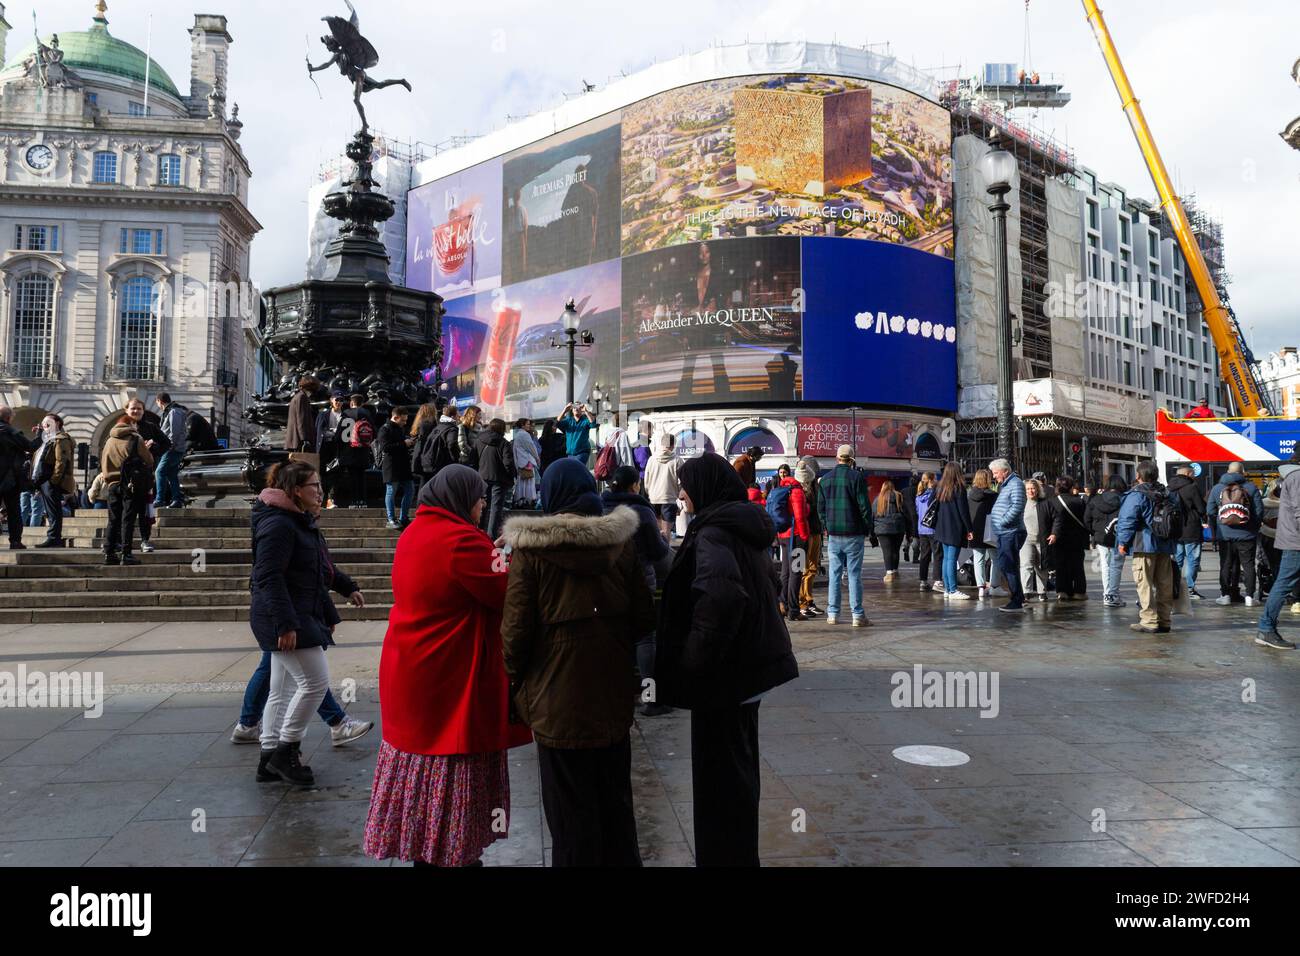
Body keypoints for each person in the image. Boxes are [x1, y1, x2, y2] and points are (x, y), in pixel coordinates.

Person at [363, 465, 533, 866]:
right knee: (451, 772)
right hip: (447, 677)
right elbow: (509, 591)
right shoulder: (459, 541)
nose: (482, 504)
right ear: (459, 498)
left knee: (421, 771)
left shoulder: (416, 532)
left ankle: (428, 846)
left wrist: (490, 551)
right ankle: (453, 852)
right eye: (478, 497)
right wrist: (509, 552)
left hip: (412, 669)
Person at [500, 459, 655, 867]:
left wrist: (517, 684)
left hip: (556, 705)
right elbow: (644, 618)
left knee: (570, 818)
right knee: (616, 806)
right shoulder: (621, 544)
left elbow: (515, 633)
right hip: (612, 699)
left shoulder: (530, 551)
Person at [656, 452, 798, 867]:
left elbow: (721, 597)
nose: (681, 494)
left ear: (704, 488)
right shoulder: (738, 524)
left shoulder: (715, 532)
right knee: (737, 773)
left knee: (720, 781)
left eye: (686, 486)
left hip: (725, 679)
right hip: (748, 673)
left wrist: (694, 662)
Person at [249, 461, 366, 785]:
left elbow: (319, 567)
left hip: (294, 612)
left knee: (281, 688)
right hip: (287, 617)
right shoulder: (280, 525)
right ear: (295, 490)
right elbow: (268, 577)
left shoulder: (297, 521)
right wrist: (285, 625)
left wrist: (347, 586)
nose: (320, 491)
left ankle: (268, 756)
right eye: (314, 486)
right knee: (314, 683)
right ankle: (287, 752)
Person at [602, 465, 674, 718]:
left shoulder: (601, 508)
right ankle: (651, 700)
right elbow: (657, 552)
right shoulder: (642, 510)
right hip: (640, 582)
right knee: (646, 639)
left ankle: (616, 696)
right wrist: (664, 540)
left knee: (617, 638)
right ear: (634, 485)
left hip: (610, 584)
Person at [1116, 461, 1176, 634]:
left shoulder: (1137, 494)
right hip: (1165, 544)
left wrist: (1122, 542)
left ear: (1138, 476)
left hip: (1144, 544)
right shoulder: (1166, 493)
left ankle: (1149, 620)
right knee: (1165, 583)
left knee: (1145, 583)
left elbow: (1127, 520)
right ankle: (1165, 620)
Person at [817, 445, 873, 625]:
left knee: (834, 574)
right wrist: (867, 528)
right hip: (854, 532)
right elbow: (864, 507)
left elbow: (821, 509)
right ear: (852, 459)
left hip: (834, 534)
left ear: (837, 458)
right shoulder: (857, 478)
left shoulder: (825, 480)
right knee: (854, 574)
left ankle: (832, 613)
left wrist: (827, 526)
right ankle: (857, 615)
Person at [1256, 451, 1300, 650]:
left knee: (1284, 582)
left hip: (1292, 539)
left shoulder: (1292, 476)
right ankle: (1266, 628)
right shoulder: (1298, 477)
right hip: (1296, 542)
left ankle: (1266, 628)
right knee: (1283, 584)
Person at [99, 416, 155, 566]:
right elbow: (149, 461)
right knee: (127, 520)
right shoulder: (135, 438)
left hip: (112, 484)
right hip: (130, 484)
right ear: (131, 424)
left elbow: (103, 462)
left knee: (113, 520)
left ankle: (109, 553)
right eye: (135, 424)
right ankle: (126, 553)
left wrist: (108, 478)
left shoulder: (108, 440)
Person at [1209, 462, 1265, 606]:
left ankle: (1225, 595)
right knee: (1248, 565)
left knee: (1225, 565)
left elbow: (1210, 511)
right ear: (1243, 472)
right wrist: (1253, 527)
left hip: (1225, 535)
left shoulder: (1217, 488)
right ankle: (1249, 597)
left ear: (1227, 471)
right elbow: (1259, 512)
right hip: (1247, 535)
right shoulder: (1251, 488)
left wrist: (1217, 527)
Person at [772, 464, 811, 622]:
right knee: (797, 572)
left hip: (783, 536)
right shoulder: (797, 492)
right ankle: (794, 610)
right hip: (797, 537)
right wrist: (804, 536)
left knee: (786, 572)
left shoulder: (782, 489)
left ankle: (783, 605)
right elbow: (800, 517)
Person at [33, 414, 77, 549]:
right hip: (44, 480)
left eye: (48, 422)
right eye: (43, 422)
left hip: (51, 481)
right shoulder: (47, 439)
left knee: (54, 510)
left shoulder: (61, 439)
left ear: (57, 423)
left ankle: (54, 538)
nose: (44, 425)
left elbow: (61, 462)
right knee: (50, 510)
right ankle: (53, 537)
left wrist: (54, 480)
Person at [989, 458, 1027, 613]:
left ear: (1005, 471)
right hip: (1005, 532)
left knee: (1007, 565)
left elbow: (1018, 505)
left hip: (1010, 531)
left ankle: (1017, 599)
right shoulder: (1007, 484)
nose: (994, 476)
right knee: (1007, 565)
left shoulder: (1015, 484)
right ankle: (1018, 597)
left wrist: (1003, 521)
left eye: (996, 473)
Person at [933, 462, 975, 600]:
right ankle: (952, 590)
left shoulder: (939, 487)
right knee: (952, 559)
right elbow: (964, 511)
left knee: (946, 559)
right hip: (954, 527)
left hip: (941, 527)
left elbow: (931, 505)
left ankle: (947, 588)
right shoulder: (959, 488)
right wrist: (969, 528)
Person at [0, 406, 40, 550]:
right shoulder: (11, 431)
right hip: (8, 479)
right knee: (13, 512)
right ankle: (15, 541)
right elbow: (30, 446)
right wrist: (40, 435)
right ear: (8, 418)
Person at [1085, 474, 1128, 607]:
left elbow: (1087, 519)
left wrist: (1095, 532)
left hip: (1101, 537)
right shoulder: (1125, 500)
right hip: (1119, 537)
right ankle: (1112, 595)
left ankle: (1107, 594)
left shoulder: (1096, 500)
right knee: (1116, 565)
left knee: (1105, 565)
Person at [1168, 465, 1208, 600]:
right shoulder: (1192, 487)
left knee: (1178, 560)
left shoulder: (1169, 488)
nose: (1194, 476)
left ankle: (1176, 587)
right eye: (1193, 473)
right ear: (1188, 473)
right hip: (1191, 528)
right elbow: (1201, 509)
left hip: (1175, 529)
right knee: (1193, 559)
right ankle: (1190, 588)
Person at [1046, 476, 1089, 600]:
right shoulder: (1079, 501)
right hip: (1077, 538)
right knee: (1077, 565)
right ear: (1071, 487)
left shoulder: (1052, 501)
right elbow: (1085, 520)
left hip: (1058, 538)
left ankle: (1062, 591)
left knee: (1060, 565)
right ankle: (1079, 591)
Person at [475, 418, 516, 541]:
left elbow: (473, 458)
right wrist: (511, 476)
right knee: (496, 508)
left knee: (482, 506)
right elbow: (508, 463)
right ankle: (491, 537)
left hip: (482, 477)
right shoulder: (504, 443)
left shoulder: (479, 440)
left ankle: (479, 533)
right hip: (499, 479)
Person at [795, 457, 824, 618]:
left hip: (815, 531)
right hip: (804, 533)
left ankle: (809, 599)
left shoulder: (814, 487)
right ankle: (802, 602)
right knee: (803, 569)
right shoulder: (798, 489)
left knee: (812, 568)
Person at [378, 406, 415, 530]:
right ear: (395, 417)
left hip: (403, 465)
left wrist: (407, 442)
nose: (405, 423)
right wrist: (404, 443)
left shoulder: (399, 429)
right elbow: (385, 447)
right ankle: (391, 519)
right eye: (403, 420)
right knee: (391, 491)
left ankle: (403, 518)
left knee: (410, 490)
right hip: (392, 466)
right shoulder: (385, 429)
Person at [1018, 478, 1053, 601]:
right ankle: (1026, 592)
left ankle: (1042, 592)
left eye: (1033, 488)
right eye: (1028, 489)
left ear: (1037, 489)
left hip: (1042, 539)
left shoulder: (1045, 503)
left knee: (1041, 566)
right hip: (1026, 539)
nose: (1030, 491)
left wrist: (1054, 534)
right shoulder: (1021, 504)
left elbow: (1056, 519)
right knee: (1026, 565)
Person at [643, 432, 682, 540]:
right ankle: (666, 554)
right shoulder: (677, 460)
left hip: (654, 498)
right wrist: (678, 494)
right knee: (666, 532)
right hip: (669, 499)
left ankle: (657, 553)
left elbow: (646, 480)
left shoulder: (651, 459)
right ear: (673, 445)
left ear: (661, 443)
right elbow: (680, 482)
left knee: (656, 531)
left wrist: (649, 492)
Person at [967, 469, 999, 598]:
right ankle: (994, 586)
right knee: (995, 559)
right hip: (990, 530)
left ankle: (980, 587)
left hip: (975, 530)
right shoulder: (993, 495)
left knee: (978, 560)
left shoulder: (970, 495)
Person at [341, 395, 377, 508]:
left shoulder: (346, 413)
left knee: (352, 476)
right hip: (363, 450)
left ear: (352, 403)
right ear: (362, 403)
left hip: (349, 449)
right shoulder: (366, 413)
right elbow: (374, 432)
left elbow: (341, 434)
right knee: (362, 476)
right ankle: (362, 501)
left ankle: (353, 501)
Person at [315, 391, 349, 508]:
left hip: (337, 449)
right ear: (331, 400)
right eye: (336, 400)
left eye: (341, 400)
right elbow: (319, 430)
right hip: (324, 448)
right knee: (323, 474)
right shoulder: (323, 415)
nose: (339, 402)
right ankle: (322, 499)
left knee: (334, 474)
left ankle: (331, 499)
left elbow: (346, 436)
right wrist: (333, 433)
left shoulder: (346, 417)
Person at [154, 393, 188, 508]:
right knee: (172, 474)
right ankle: (176, 499)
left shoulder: (174, 411)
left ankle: (160, 499)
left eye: (157, 402)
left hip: (172, 448)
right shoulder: (171, 411)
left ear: (159, 401)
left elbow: (175, 431)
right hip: (173, 448)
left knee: (159, 472)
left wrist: (170, 445)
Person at [873, 479, 906, 582]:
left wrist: (871, 530)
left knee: (887, 551)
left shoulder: (878, 499)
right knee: (896, 550)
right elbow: (904, 511)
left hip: (882, 528)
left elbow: (873, 514)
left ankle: (889, 573)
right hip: (898, 527)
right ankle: (895, 571)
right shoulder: (899, 496)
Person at [418, 404, 461, 483]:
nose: (459, 417)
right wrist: (455, 458)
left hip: (431, 461)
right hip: (442, 463)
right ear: (452, 416)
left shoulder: (439, 426)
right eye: (458, 415)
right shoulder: (452, 428)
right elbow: (451, 444)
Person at [913, 472, 939, 592]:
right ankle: (938, 580)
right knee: (938, 555)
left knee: (924, 555)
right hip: (933, 528)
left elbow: (918, 512)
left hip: (922, 529)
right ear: (931, 480)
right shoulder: (934, 494)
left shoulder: (919, 496)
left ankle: (923, 581)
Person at [407, 402, 439, 493]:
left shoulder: (421, 424)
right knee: (426, 482)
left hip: (421, 458)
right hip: (426, 459)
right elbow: (425, 443)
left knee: (425, 481)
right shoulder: (427, 425)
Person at [512, 418, 541, 509]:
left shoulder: (518, 434)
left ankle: (521, 501)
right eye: (527, 424)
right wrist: (537, 457)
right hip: (527, 460)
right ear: (522, 425)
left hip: (521, 461)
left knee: (522, 482)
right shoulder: (525, 435)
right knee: (529, 482)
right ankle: (529, 501)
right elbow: (531, 447)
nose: (529, 426)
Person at [285, 376, 319, 453]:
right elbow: (301, 419)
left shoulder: (297, 397)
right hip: (299, 441)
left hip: (296, 440)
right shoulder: (302, 397)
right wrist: (305, 439)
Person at [457, 405, 483, 469]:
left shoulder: (480, 427)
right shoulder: (462, 427)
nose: (481, 417)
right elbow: (462, 444)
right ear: (473, 414)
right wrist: (473, 454)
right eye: (479, 414)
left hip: (477, 459)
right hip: (466, 460)